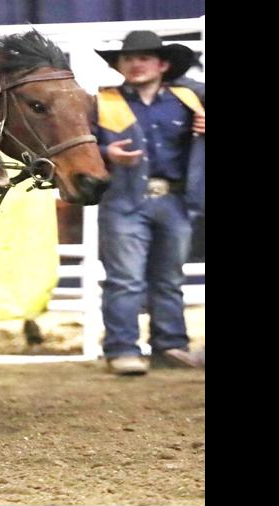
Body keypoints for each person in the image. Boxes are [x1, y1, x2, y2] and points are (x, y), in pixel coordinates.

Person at [92, 30, 205, 375]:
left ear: (163, 65)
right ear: (119, 65)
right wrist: (104, 153)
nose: (135, 64)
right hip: (123, 199)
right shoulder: (101, 101)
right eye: (128, 58)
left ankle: (170, 346)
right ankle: (123, 348)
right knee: (125, 278)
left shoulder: (190, 99)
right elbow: (78, 146)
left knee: (168, 277)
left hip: (174, 199)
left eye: (143, 58)